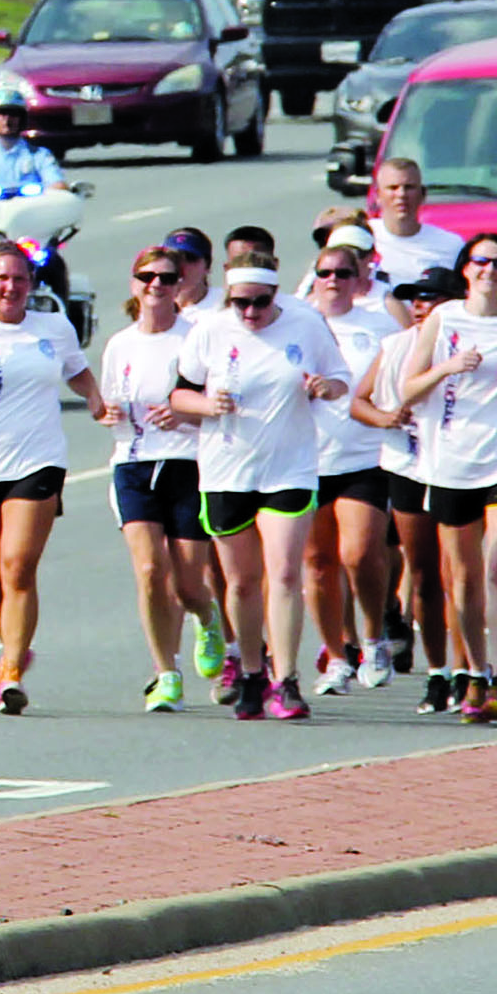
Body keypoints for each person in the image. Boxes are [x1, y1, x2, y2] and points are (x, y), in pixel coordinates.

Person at [170, 251, 352, 720]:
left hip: (288, 468)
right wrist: (207, 404)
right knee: (243, 581)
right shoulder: (210, 330)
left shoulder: (305, 324)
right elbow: (180, 393)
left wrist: (323, 388)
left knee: (286, 574)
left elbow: (340, 380)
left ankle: (285, 679)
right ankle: (251, 670)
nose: (250, 313)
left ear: (276, 295)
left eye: (260, 302)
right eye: (240, 303)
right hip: (228, 469)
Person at [0, 240, 105, 715]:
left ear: (32, 285)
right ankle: (14, 646)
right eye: (2, 278)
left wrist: (94, 398)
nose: (11, 287)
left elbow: (78, 372)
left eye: (20, 279)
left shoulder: (52, 327)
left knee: (18, 567)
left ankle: (9, 672)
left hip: (37, 462)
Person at [400, 234, 497, 722]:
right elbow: (409, 389)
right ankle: (474, 673)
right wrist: (447, 366)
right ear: (466, 269)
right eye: (481, 262)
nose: (491, 270)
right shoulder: (444, 319)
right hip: (453, 461)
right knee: (463, 579)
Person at [99, 246, 225, 711]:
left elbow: (216, 408)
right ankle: (165, 673)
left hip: (188, 464)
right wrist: (108, 413)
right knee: (151, 571)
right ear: (135, 284)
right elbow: (111, 408)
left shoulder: (196, 338)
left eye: (167, 278)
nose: (157, 285)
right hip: (133, 464)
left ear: (179, 287)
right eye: (147, 277)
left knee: (188, 583)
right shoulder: (120, 344)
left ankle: (207, 616)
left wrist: (186, 417)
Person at [356, 266, 463, 713]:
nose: (421, 306)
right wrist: (386, 418)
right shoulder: (395, 346)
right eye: (416, 299)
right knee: (422, 573)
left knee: (459, 573)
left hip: (459, 469)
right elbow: (359, 402)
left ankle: (469, 670)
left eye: (431, 298)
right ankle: (437, 673)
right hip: (406, 465)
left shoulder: (466, 347)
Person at [305, 241, 401, 695]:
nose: (332, 281)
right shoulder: (295, 323)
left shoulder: (377, 325)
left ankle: (374, 635)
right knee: (318, 562)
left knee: (359, 553)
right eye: (324, 272)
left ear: (360, 277)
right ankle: (338, 656)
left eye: (343, 273)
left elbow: (398, 382)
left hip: (364, 456)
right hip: (305, 460)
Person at [371, 157, 464, 289]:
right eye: (393, 187)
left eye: (409, 187)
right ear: (377, 196)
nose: (401, 194)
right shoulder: (360, 237)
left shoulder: (451, 245)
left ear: (423, 194)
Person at [163, 227, 220, 312]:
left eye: (189, 258)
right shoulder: (152, 307)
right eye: (172, 258)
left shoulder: (225, 304)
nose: (180, 264)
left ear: (208, 265)